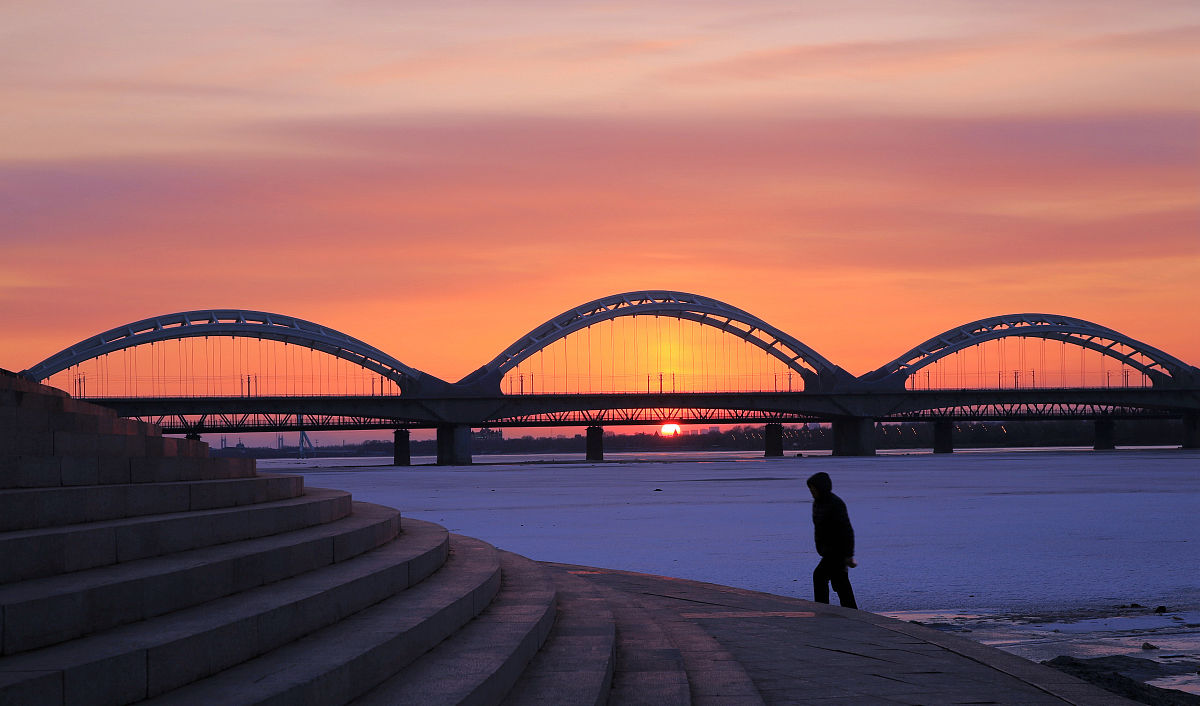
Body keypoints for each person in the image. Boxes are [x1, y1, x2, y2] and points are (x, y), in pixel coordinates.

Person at [806, 471, 858, 609]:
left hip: (837, 551)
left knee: (820, 576)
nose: (811, 491)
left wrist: (848, 554)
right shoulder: (818, 503)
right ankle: (852, 611)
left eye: (813, 488)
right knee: (840, 582)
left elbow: (846, 530)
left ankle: (823, 608)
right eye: (810, 488)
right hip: (828, 551)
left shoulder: (835, 503)